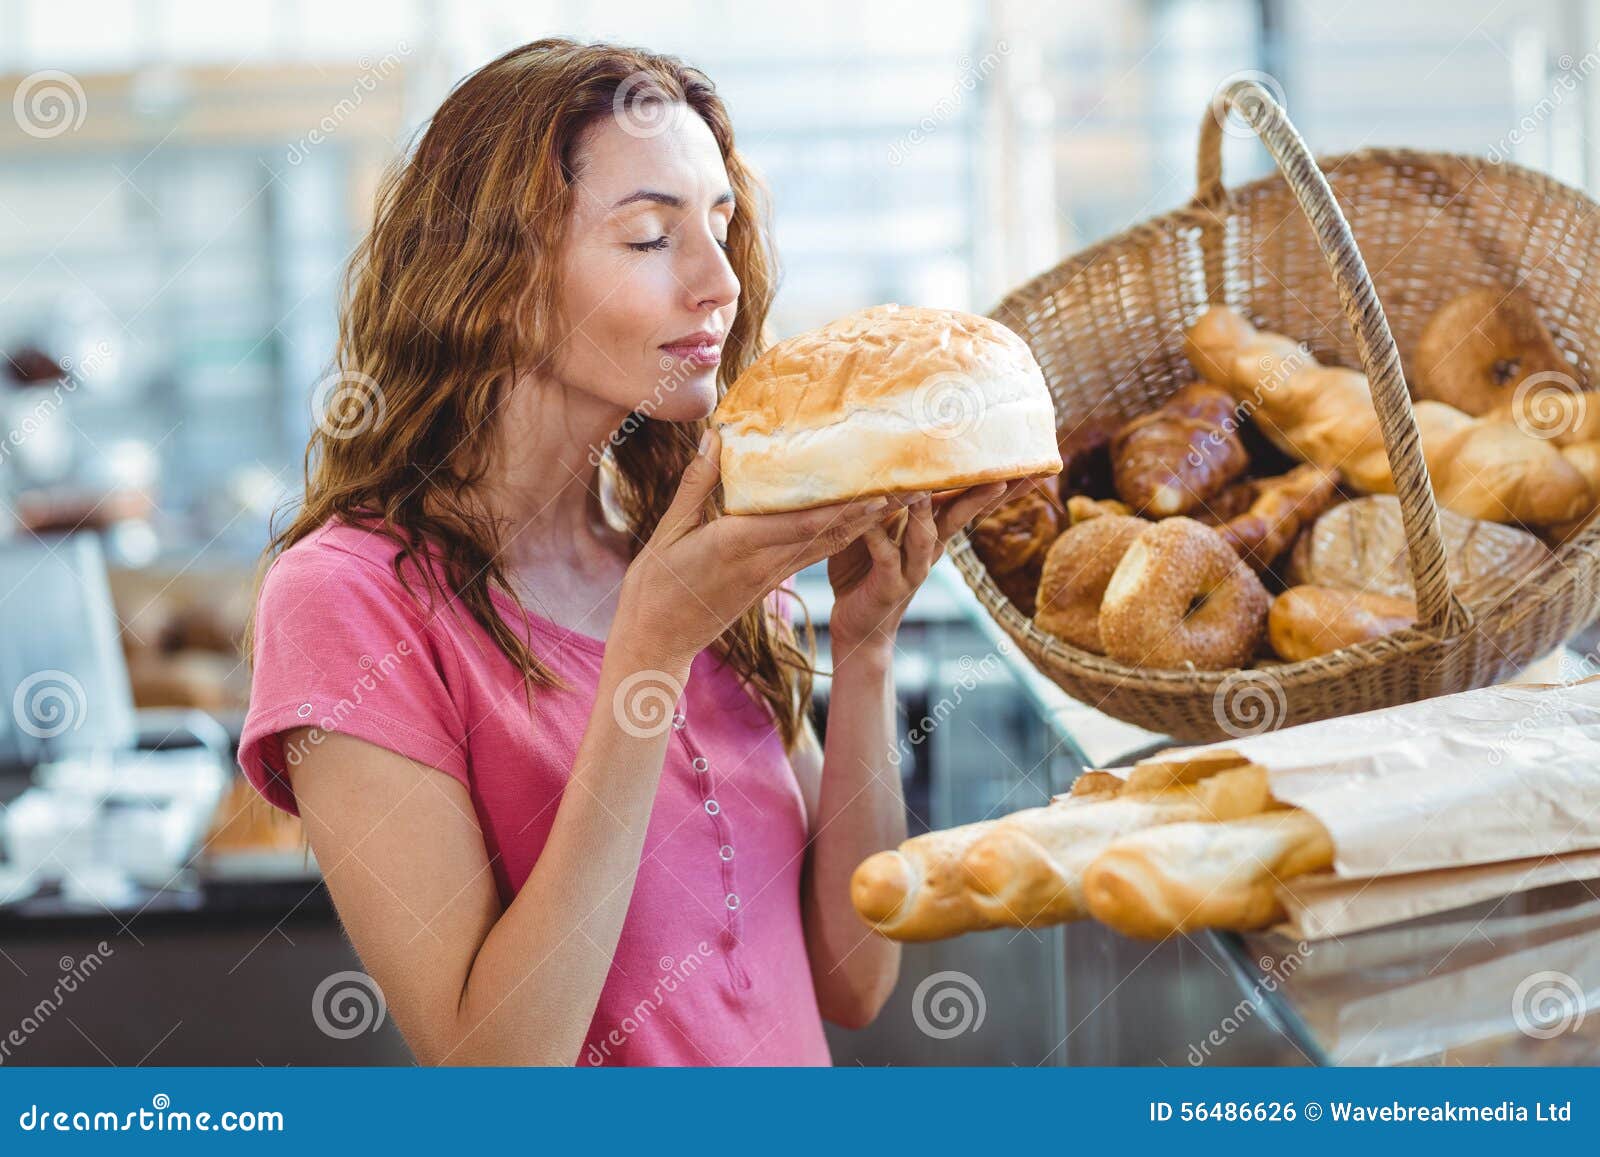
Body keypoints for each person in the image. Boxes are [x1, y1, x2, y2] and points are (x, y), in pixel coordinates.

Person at [238, 38, 1018, 1067]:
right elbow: (493, 1075)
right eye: (651, 237)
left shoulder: (698, 545)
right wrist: (646, 659)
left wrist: (865, 650)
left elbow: (854, 976)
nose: (719, 283)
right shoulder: (347, 603)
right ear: (495, 280)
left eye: (723, 226)